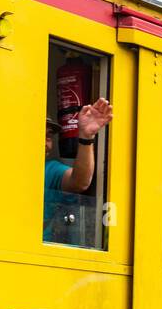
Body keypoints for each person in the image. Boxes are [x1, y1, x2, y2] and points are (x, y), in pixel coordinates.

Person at [45, 98, 113, 241]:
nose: (46, 143)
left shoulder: (50, 170)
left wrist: (86, 137)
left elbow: (80, 182)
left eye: (48, 136)